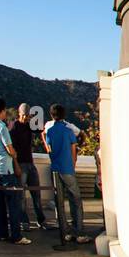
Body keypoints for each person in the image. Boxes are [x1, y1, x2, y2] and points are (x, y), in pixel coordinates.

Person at [0, 98, 29, 245]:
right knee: (13, 203)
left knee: (0, 203)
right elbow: (10, 149)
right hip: (5, 168)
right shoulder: (2, 128)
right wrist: (14, 154)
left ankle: (2, 233)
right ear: (2, 111)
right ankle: (16, 235)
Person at [45, 104, 90, 244]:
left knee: (60, 201)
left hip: (55, 169)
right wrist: (72, 165)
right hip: (67, 168)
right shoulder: (68, 131)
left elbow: (49, 149)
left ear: (52, 115)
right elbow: (73, 151)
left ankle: (65, 232)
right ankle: (78, 232)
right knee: (75, 200)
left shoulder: (50, 131)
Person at [10, 103, 50, 231]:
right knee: (21, 196)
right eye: (24, 115)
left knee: (36, 193)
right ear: (19, 114)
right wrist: (15, 165)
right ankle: (24, 222)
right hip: (21, 164)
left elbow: (41, 129)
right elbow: (12, 150)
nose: (26, 117)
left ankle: (41, 220)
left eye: (27, 115)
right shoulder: (15, 127)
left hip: (30, 163)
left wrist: (35, 118)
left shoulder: (29, 125)